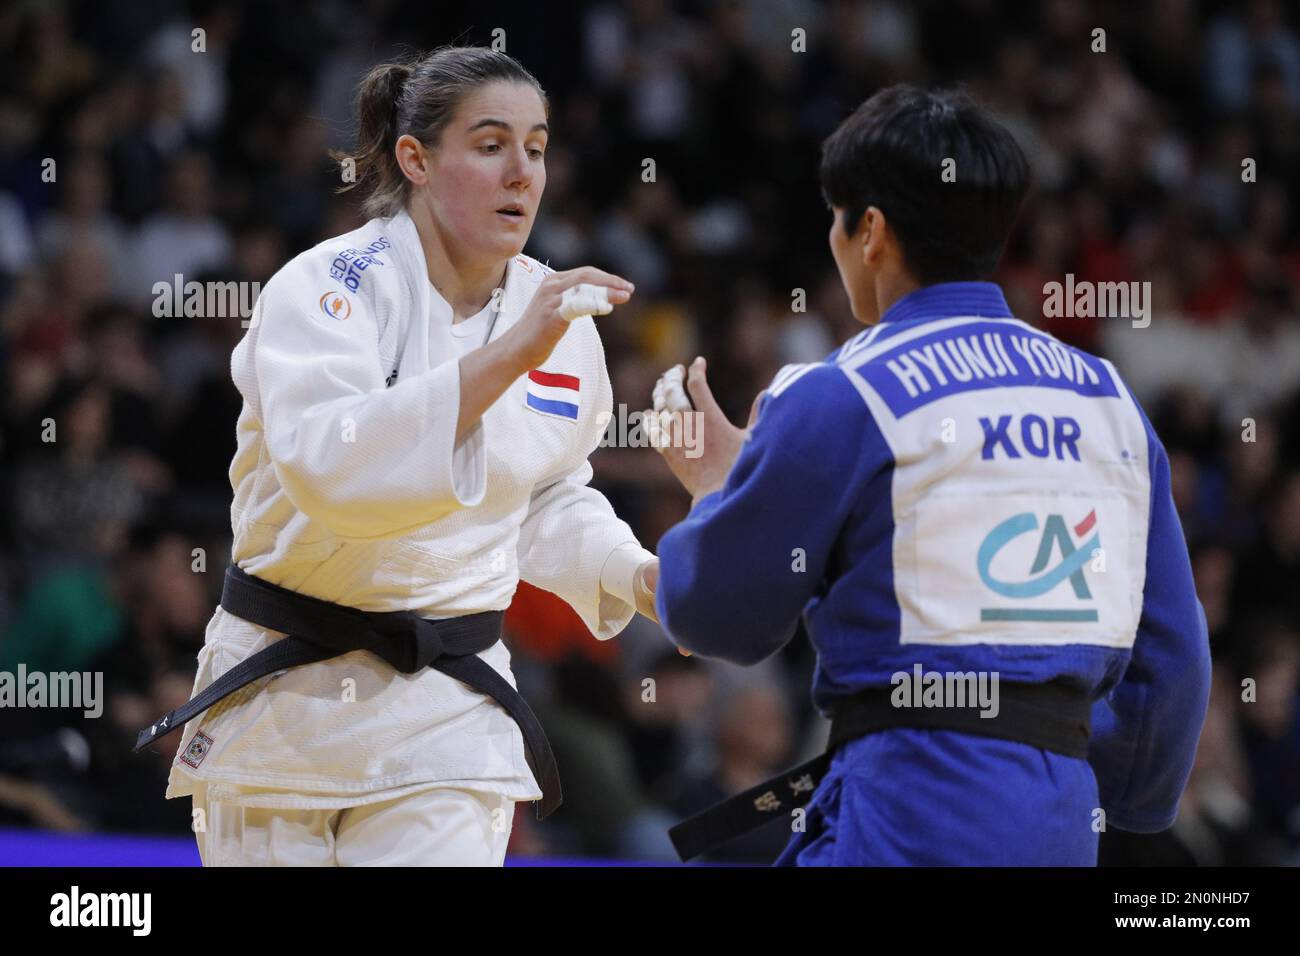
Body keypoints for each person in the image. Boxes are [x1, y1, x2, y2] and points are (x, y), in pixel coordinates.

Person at [650, 84, 1211, 865]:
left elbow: (716, 617)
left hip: (905, 817)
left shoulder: (841, 392)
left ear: (870, 231)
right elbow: (1172, 660)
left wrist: (716, 489)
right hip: (1057, 824)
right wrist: (1116, 794)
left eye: (835, 218)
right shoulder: (1110, 401)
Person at [139, 46, 660, 866]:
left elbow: (543, 495)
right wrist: (510, 355)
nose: (523, 173)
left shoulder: (555, 317)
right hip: (286, 697)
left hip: (447, 716)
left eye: (538, 146)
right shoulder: (323, 290)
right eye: (491, 146)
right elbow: (335, 476)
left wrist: (639, 575)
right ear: (415, 159)